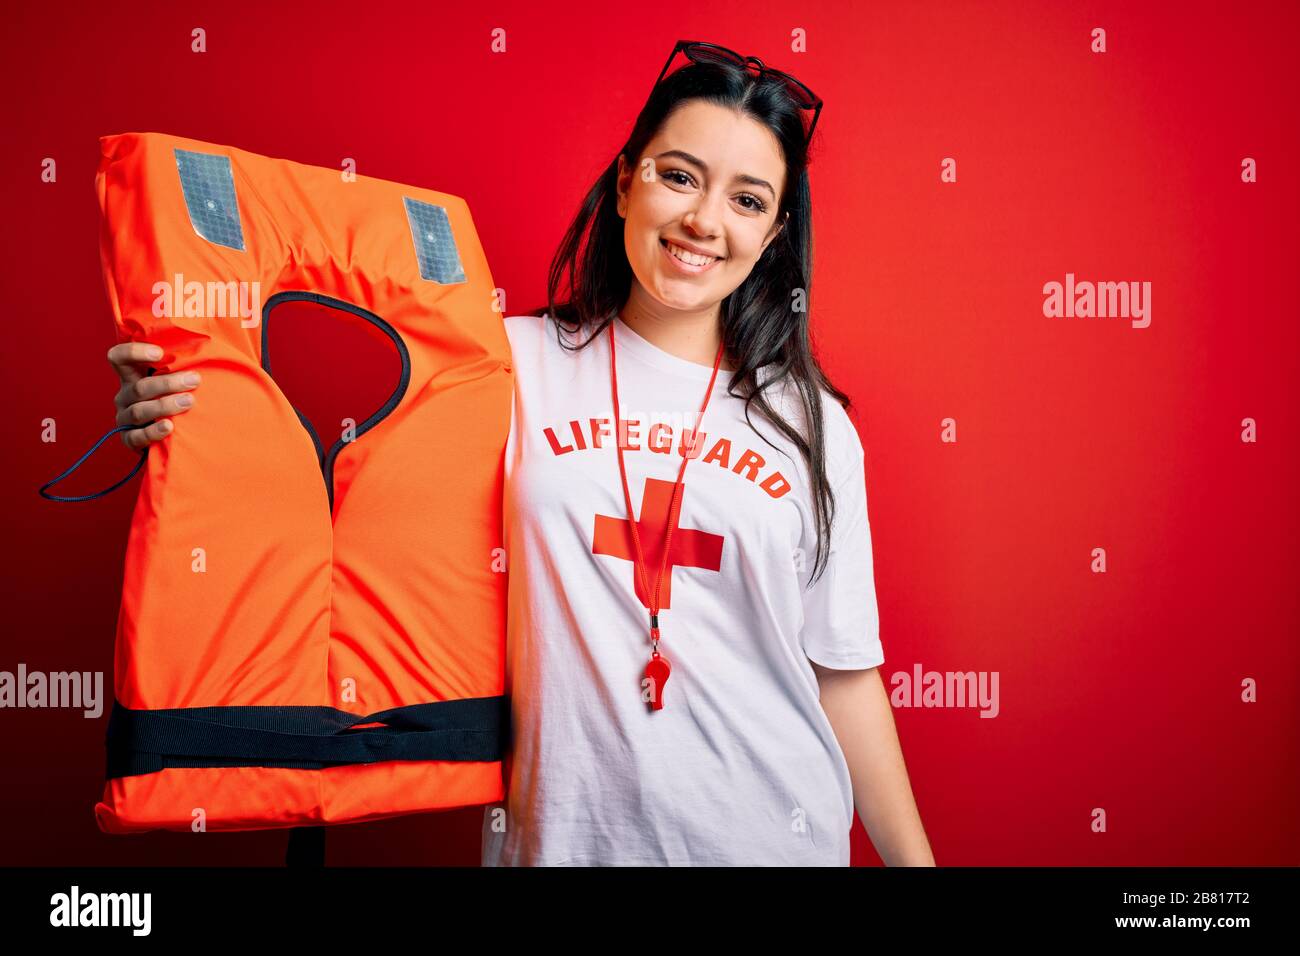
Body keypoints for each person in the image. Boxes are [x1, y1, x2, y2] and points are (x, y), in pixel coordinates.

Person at [106, 42, 935, 866]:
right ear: (623, 183)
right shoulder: (508, 362)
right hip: (560, 846)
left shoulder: (808, 424)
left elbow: (844, 672)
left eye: (748, 200)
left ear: (774, 234)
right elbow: (344, 488)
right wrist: (191, 412)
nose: (704, 221)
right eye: (678, 176)